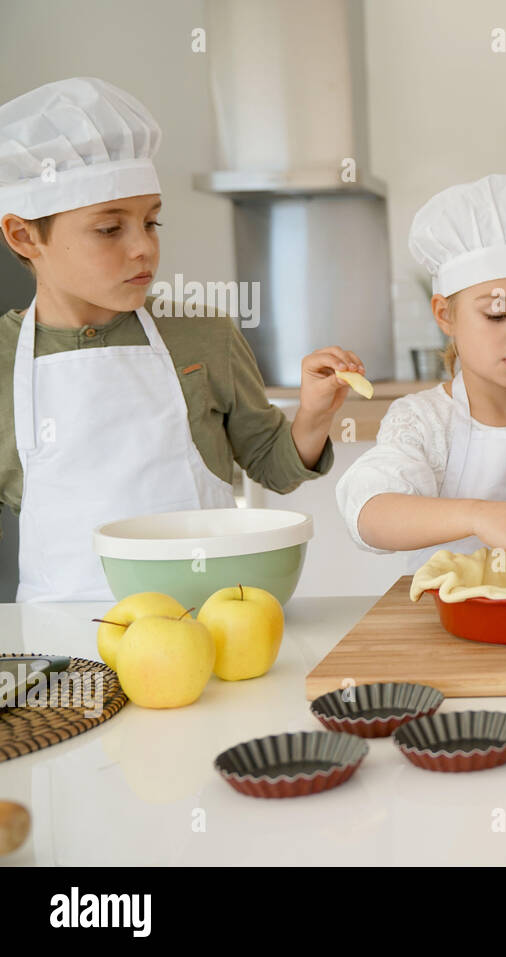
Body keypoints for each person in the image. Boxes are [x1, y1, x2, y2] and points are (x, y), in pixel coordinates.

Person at [0, 77, 358, 602]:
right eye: (109, 229)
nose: (144, 247)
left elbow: (272, 468)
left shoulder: (203, 335)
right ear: (24, 235)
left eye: (152, 221)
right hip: (63, 640)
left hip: (210, 615)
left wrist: (314, 414)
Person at [336, 174, 506, 569]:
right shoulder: (423, 421)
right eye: (497, 314)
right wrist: (478, 514)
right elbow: (369, 515)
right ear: (446, 315)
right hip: (451, 624)